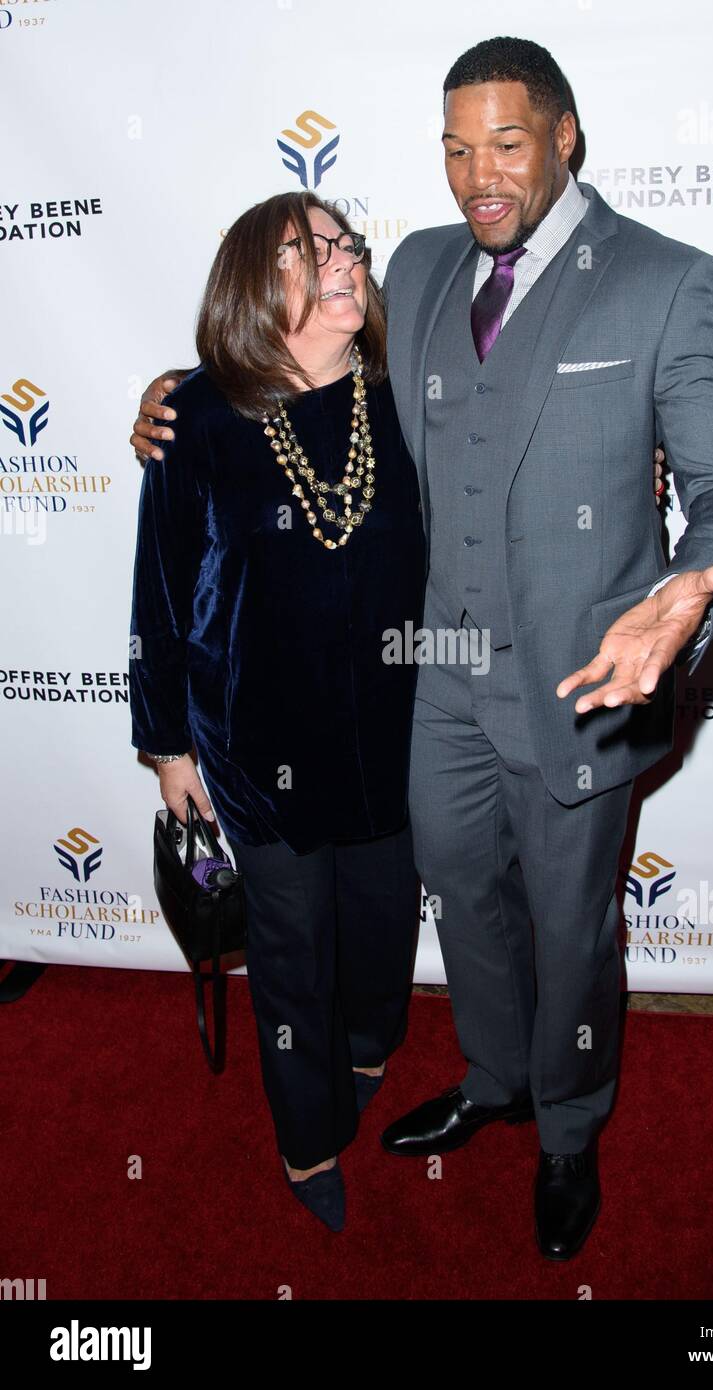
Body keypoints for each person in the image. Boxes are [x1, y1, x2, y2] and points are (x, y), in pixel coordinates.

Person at [129, 43, 713, 1262]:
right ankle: (402, 1108)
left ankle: (532, 1114)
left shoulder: (624, 297)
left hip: (491, 709)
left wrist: (676, 548)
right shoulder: (295, 356)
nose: (476, 175)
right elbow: (188, 556)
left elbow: (665, 473)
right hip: (348, 725)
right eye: (456, 147)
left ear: (565, 137)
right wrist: (177, 392)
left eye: (506, 142)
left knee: (505, 924)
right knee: (380, 935)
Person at [128, 190, 425, 1234]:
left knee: (385, 928)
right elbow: (160, 593)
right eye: (315, 248)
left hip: (396, 731)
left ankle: (368, 1047)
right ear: (262, 278)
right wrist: (166, 743)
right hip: (259, 747)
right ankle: (307, 1142)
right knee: (290, 952)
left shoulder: (406, 396)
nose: (347, 258)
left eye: (348, 242)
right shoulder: (198, 416)